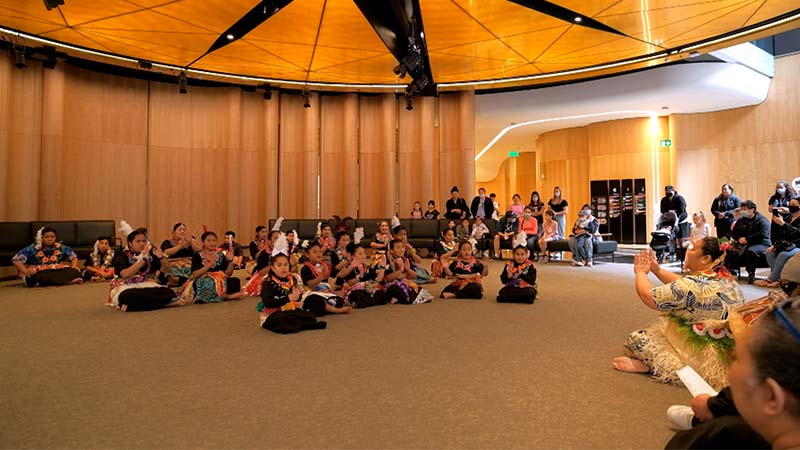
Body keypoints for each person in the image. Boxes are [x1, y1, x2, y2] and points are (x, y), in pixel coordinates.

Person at [612, 238, 745, 390]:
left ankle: (669, 370)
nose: (688, 249)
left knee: (637, 340)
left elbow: (649, 296)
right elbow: (682, 284)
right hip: (727, 352)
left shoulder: (689, 286)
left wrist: (640, 272)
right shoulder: (726, 279)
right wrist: (657, 270)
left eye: (693, 248)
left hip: (700, 354)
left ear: (706, 259)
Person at [108, 227, 179, 312]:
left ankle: (134, 307)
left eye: (144, 241)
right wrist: (143, 260)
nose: (141, 243)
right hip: (126, 287)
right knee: (128, 295)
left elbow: (168, 271)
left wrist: (161, 257)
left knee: (169, 292)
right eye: (138, 241)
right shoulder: (121, 256)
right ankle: (159, 303)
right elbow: (125, 274)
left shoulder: (150, 255)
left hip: (147, 285)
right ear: (130, 243)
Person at [257, 251, 328, 334]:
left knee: (309, 316)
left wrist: (298, 295)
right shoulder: (268, 282)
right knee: (283, 320)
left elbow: (297, 299)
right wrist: (288, 298)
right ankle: (308, 326)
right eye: (279, 265)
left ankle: (303, 324)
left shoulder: (292, 279)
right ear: (272, 268)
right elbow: (268, 303)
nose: (283, 268)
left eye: (285, 265)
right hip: (273, 313)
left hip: (289, 310)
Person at [183, 231, 244, 303]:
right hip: (203, 280)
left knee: (235, 281)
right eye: (209, 240)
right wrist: (209, 265)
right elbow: (195, 274)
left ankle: (221, 295)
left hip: (220, 280)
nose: (212, 243)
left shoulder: (220, 255)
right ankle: (226, 296)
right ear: (203, 242)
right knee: (208, 282)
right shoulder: (197, 255)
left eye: (214, 240)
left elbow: (227, 274)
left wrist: (231, 262)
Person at [12, 227, 83, 287]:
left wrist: (74, 266)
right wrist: (25, 271)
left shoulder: (61, 247)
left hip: (55, 270)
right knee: (34, 277)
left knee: (75, 272)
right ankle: (67, 281)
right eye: (46, 237)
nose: (49, 239)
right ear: (42, 238)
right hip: (40, 271)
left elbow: (73, 257)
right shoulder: (33, 248)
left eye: (52, 237)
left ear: (55, 238)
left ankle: (55, 282)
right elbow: (15, 259)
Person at [756, 198, 800, 288]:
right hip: (786, 244)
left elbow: (797, 233)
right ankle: (779, 279)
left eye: (793, 204)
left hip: (797, 245)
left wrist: (783, 224)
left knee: (783, 255)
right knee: (769, 252)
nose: (791, 206)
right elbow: (781, 234)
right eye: (790, 204)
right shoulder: (788, 218)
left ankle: (770, 279)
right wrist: (774, 245)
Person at [726, 200, 771, 284]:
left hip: (761, 243)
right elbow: (733, 232)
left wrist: (747, 239)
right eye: (741, 209)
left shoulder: (762, 220)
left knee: (751, 251)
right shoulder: (741, 220)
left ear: (752, 209)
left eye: (745, 209)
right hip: (744, 243)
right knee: (728, 249)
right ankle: (728, 272)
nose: (743, 211)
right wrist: (739, 238)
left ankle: (751, 274)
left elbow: (762, 234)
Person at [338, 244, 389, 309]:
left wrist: (382, 267)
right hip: (353, 290)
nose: (363, 256)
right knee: (358, 294)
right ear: (352, 256)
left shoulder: (366, 267)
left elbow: (378, 279)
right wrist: (360, 277)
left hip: (367, 289)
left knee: (381, 293)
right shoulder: (349, 267)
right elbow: (350, 283)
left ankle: (365, 301)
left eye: (364, 253)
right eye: (360, 254)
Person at [383, 239, 433, 305]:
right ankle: (398, 297)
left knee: (416, 288)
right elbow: (387, 278)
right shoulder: (387, 260)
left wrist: (408, 269)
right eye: (398, 248)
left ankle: (398, 297)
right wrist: (400, 270)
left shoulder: (404, 259)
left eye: (402, 247)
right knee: (397, 287)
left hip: (403, 281)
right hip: (389, 285)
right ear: (391, 251)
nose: (401, 249)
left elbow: (414, 276)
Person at [661, 186, 690, 256]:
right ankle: (672, 251)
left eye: (670, 192)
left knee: (681, 237)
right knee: (671, 237)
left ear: (673, 191)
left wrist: (675, 211)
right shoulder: (664, 200)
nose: (668, 194)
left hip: (681, 219)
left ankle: (683, 251)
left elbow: (682, 209)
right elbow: (662, 210)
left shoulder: (680, 198)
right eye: (667, 192)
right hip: (670, 220)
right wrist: (669, 212)